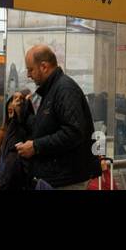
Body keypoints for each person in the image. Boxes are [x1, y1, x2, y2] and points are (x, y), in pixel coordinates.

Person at [12, 45, 99, 190]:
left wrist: (35, 146)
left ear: (44, 67)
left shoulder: (65, 90)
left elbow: (73, 132)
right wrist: (22, 113)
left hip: (67, 179)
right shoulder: (49, 91)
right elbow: (42, 127)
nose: (28, 75)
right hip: (55, 177)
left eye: (30, 69)